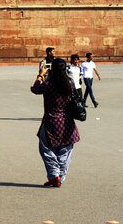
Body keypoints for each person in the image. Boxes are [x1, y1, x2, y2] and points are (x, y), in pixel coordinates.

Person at [31, 58, 81, 188]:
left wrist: (41, 74)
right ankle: (60, 176)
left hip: (51, 120)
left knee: (46, 148)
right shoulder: (69, 82)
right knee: (65, 150)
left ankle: (54, 175)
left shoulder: (48, 84)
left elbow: (35, 89)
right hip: (67, 121)